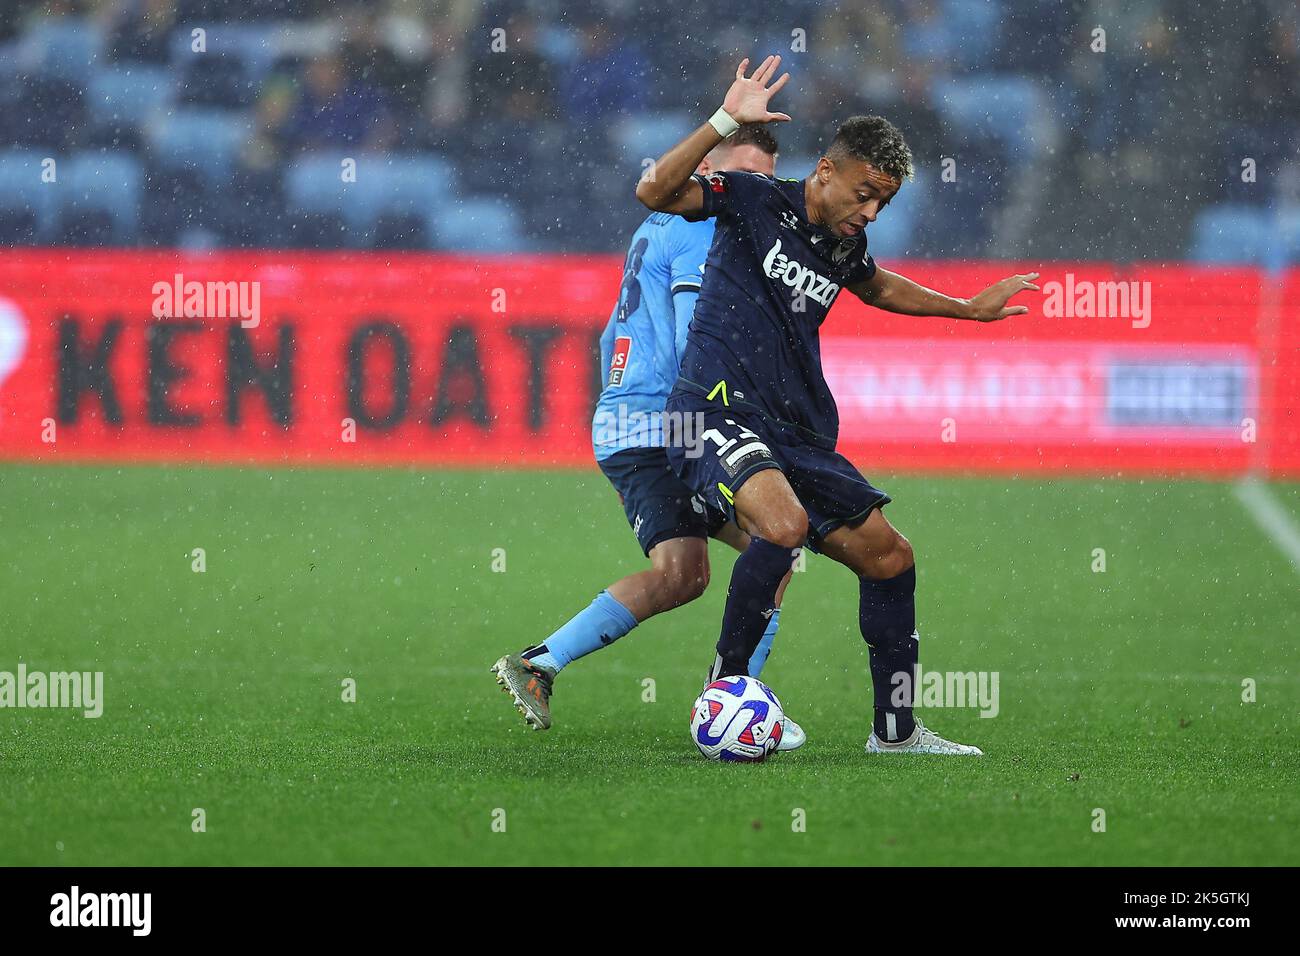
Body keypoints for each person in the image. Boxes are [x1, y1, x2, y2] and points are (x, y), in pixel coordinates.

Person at [637, 56, 1040, 755]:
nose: (872, 212)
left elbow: (878, 286)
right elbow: (653, 190)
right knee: (784, 525)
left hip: (794, 432)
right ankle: (725, 693)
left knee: (890, 557)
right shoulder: (753, 197)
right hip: (710, 413)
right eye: (865, 194)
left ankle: (897, 731)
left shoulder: (842, 244)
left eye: (882, 202)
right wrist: (725, 121)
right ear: (825, 170)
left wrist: (965, 311)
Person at [491, 125, 800, 749]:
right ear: (709, 169)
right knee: (778, 542)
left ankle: (540, 664)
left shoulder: (660, 223)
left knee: (683, 572)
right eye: (734, 176)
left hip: (628, 421)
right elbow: (696, 342)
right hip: (672, 423)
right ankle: (733, 697)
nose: (745, 191)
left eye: (759, 182)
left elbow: (617, 335)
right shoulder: (700, 230)